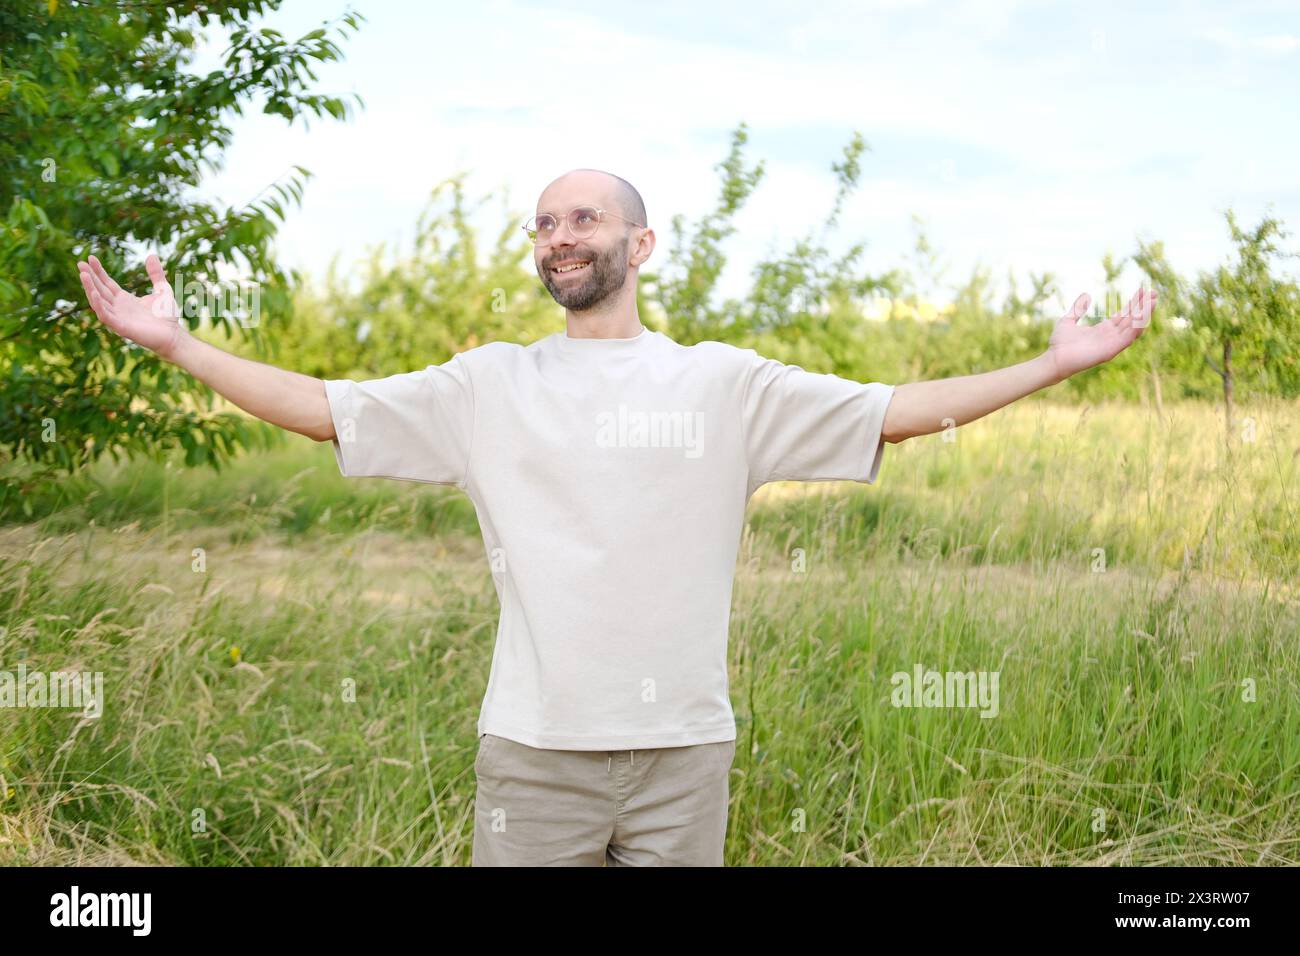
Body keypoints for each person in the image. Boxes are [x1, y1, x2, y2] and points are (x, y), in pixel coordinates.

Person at [75, 167, 1155, 867]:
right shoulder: (484, 386)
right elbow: (321, 411)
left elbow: (902, 412)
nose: (558, 234)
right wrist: (176, 346)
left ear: (641, 246)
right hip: (534, 753)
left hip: (685, 751)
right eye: (543, 223)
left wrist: (1053, 366)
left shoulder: (728, 385)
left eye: (584, 217)